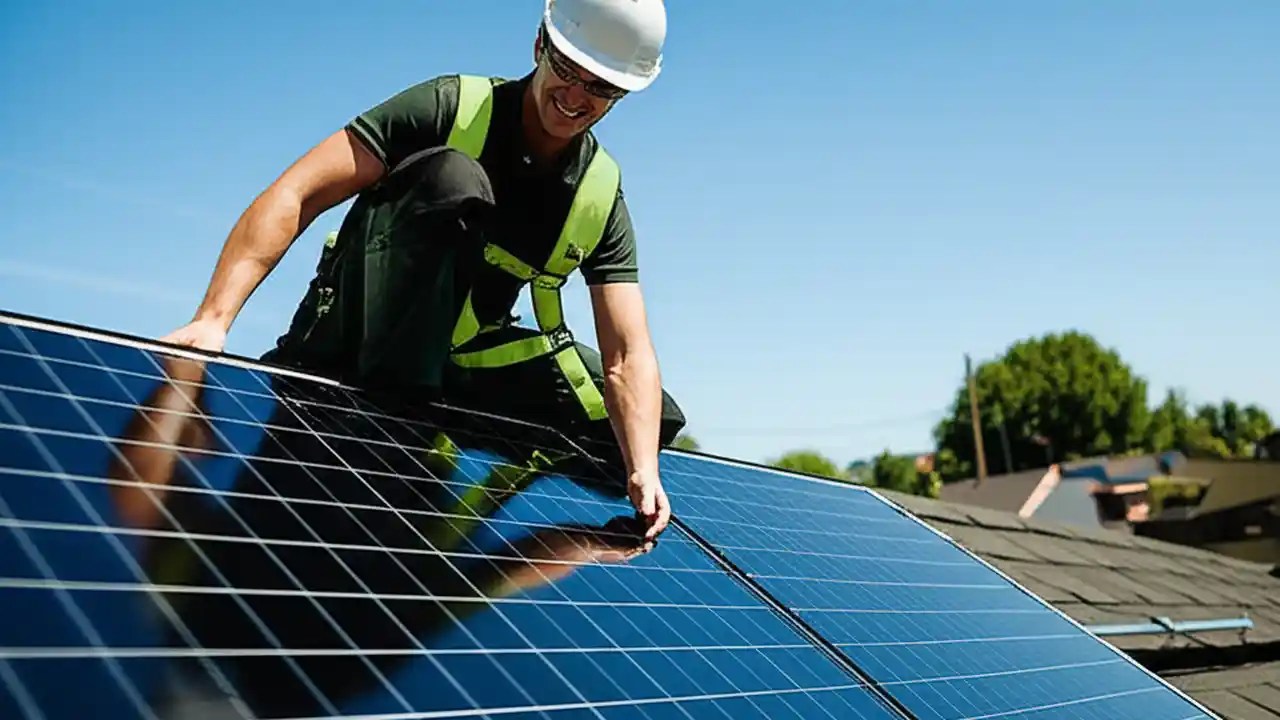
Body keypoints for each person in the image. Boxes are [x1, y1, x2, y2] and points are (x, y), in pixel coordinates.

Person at [160, 0, 685, 542]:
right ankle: (393, 421)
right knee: (452, 179)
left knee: (647, 422)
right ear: (539, 46)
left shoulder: (598, 190)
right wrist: (214, 318)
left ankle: (460, 462)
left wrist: (642, 467)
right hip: (352, 331)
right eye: (568, 70)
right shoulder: (450, 106)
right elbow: (299, 192)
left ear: (622, 92)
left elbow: (627, 353)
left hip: (456, 358)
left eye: (599, 86)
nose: (576, 97)